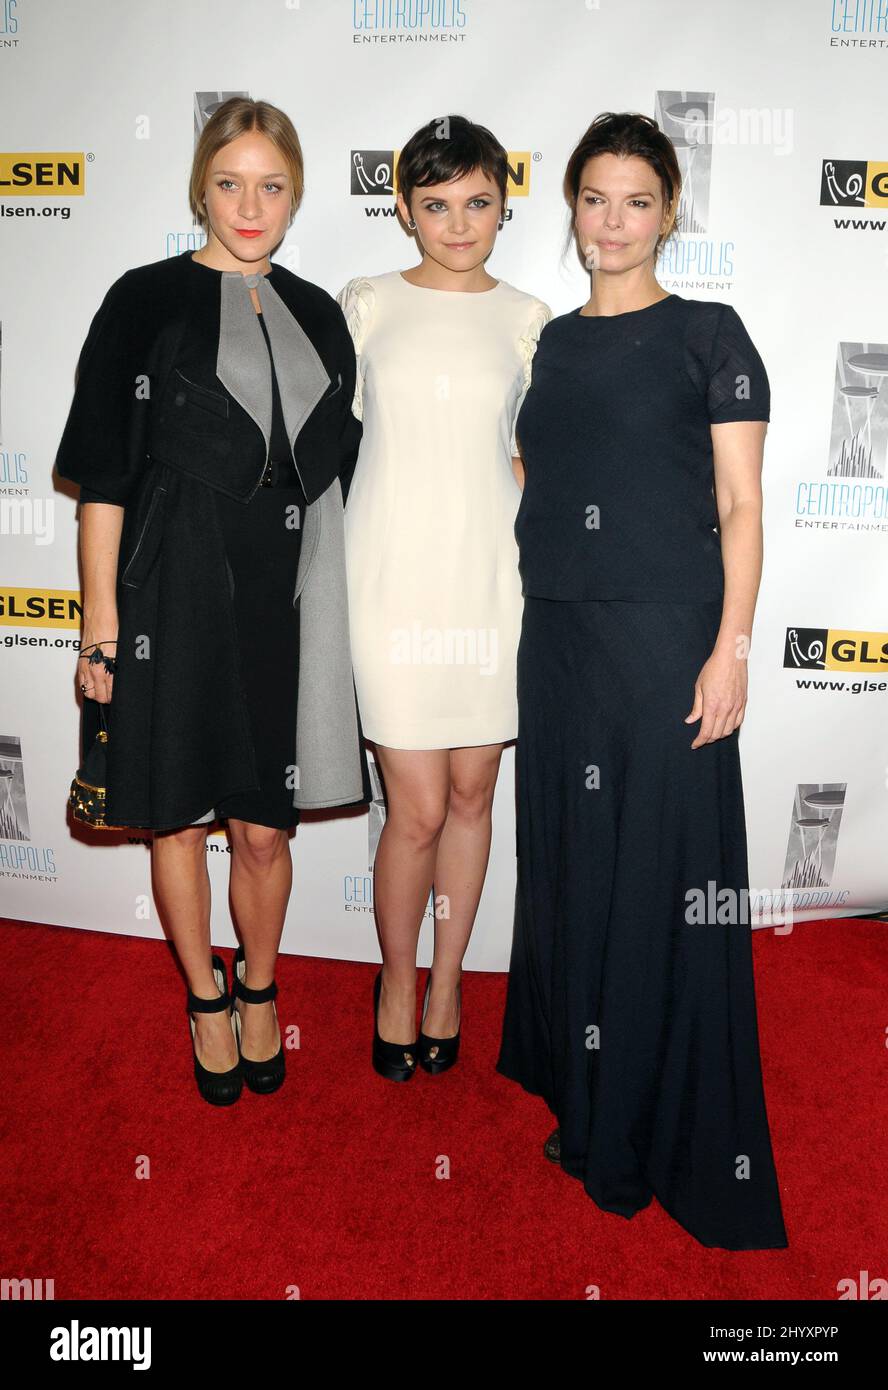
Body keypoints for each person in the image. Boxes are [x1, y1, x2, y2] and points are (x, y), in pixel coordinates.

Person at [495, 112, 788, 1250]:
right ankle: (586, 1091)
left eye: (637, 201)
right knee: (575, 865)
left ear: (670, 212)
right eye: (594, 199)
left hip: (668, 640)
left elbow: (742, 507)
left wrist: (730, 648)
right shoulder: (552, 344)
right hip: (557, 638)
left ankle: (653, 1125)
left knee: (658, 873)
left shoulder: (711, 332)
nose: (613, 222)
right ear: (569, 208)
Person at [55, 97, 372, 1106]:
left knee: (265, 828)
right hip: (169, 594)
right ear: (199, 185)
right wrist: (100, 627)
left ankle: (261, 986)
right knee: (180, 822)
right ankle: (203, 998)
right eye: (230, 182)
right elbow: (104, 476)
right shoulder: (142, 300)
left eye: (271, 185)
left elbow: (340, 475)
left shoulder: (321, 311)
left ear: (297, 195)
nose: (250, 204)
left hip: (286, 603)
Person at [336, 115, 550, 1080]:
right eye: (435, 204)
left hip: (490, 581)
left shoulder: (530, 317)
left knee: (473, 794)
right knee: (413, 807)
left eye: (476, 203)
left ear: (504, 205)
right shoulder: (367, 304)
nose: (458, 224)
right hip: (388, 578)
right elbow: (321, 448)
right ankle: (396, 979)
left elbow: (540, 453)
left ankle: (451, 977)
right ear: (405, 210)